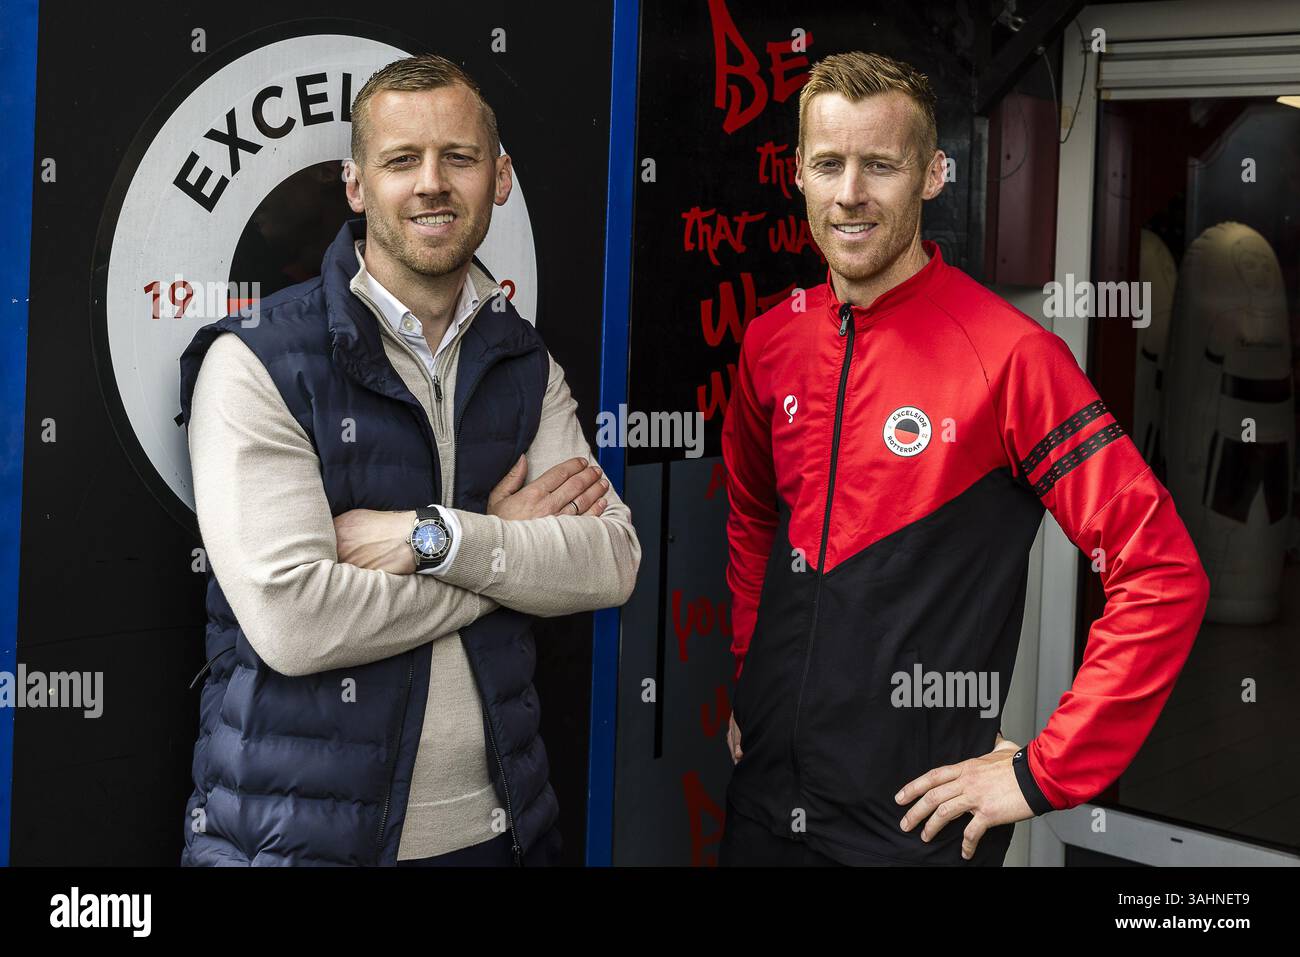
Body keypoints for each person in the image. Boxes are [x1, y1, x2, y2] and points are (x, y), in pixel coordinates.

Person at [719, 51, 1210, 867]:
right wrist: (751, 678)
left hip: (912, 827)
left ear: (934, 175)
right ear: (798, 171)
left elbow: (1161, 572)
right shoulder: (771, 341)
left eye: (881, 165)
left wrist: (1042, 773)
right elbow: (752, 518)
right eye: (829, 164)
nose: (850, 194)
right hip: (764, 804)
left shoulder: (1012, 356)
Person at [177, 54, 640, 866]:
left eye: (458, 158)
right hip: (302, 845)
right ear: (356, 187)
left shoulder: (525, 365)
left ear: (498, 179)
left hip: (504, 836)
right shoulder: (256, 364)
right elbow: (295, 621)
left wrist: (433, 539)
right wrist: (500, 551)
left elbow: (609, 561)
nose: (432, 183)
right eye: (401, 161)